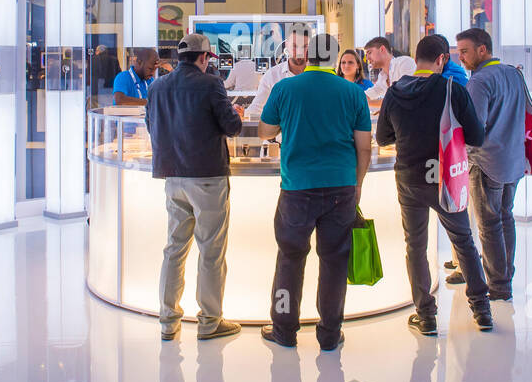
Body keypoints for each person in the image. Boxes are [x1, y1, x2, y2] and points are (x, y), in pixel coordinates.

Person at [257, 33, 371, 352]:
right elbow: (364, 147)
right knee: (334, 260)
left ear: (308, 57)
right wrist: (358, 183)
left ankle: (284, 330)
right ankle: (330, 333)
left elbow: (265, 131)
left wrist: (286, 124)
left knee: (289, 259)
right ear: (335, 59)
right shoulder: (352, 93)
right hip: (341, 188)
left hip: (296, 188)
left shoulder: (285, 88)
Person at [375, 34, 493, 334]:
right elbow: (477, 137)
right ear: (442, 59)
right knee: (463, 240)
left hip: (409, 177)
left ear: (417, 59)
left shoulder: (395, 90)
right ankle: (482, 310)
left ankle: (425, 315)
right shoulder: (453, 88)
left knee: (415, 245)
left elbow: (383, 138)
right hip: (445, 175)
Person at [144, 32, 245, 341]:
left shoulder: (158, 86)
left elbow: (151, 125)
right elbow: (232, 126)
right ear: (203, 58)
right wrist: (236, 113)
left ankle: (167, 321)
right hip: (207, 177)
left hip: (172, 176)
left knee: (174, 248)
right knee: (211, 251)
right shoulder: (210, 84)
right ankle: (210, 321)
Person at [454, 28, 528, 302]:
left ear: (482, 50)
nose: (461, 58)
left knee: (489, 225)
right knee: (506, 217)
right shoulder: (513, 73)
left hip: (486, 163)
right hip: (514, 160)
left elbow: (475, 127)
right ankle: (506, 274)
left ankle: (498, 285)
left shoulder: (480, 81)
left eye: (465, 51)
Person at [247, 25, 311, 116]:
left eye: (304, 46)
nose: (299, 52)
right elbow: (257, 108)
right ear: (286, 45)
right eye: (294, 46)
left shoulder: (319, 75)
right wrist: (242, 113)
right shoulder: (272, 76)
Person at [362, 36, 416, 103]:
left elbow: (404, 97)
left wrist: (368, 102)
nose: (367, 58)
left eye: (369, 53)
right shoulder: (382, 76)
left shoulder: (404, 62)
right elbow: (372, 92)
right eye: (366, 54)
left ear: (382, 49)